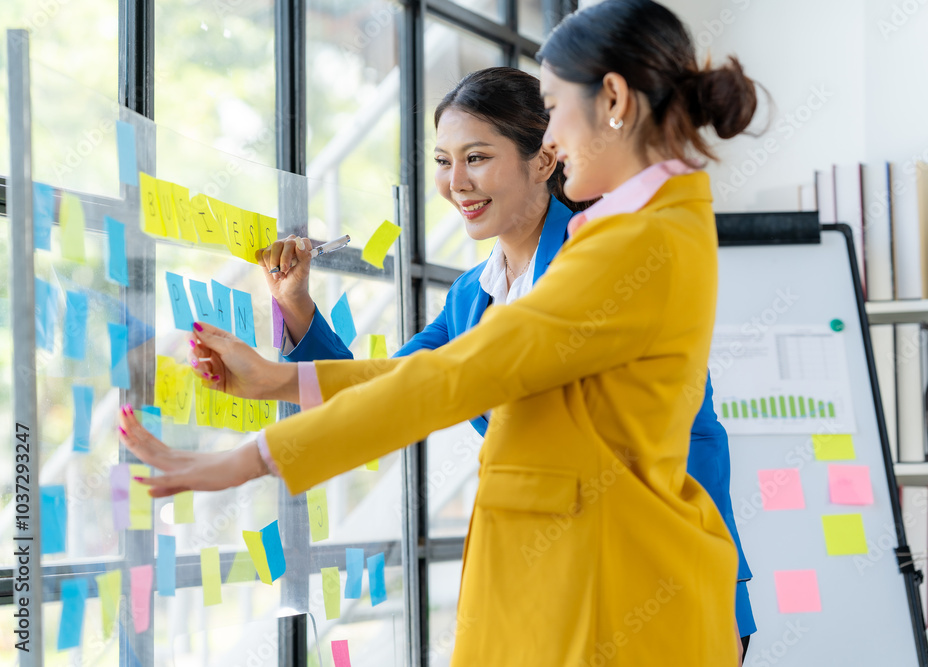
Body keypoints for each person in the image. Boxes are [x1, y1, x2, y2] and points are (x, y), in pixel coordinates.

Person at [120, 1, 759, 662]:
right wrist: (280, 371)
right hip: (566, 580)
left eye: (552, 111)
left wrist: (254, 458)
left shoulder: (622, 249)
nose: (455, 184)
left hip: (621, 579)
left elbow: (459, 375)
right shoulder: (489, 286)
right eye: (444, 161)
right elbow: (417, 372)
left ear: (614, 100)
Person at [260, 65, 756, 655]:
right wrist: (295, 306)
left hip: (651, 579)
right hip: (547, 587)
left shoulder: (608, 254)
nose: (455, 183)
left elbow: (691, 433)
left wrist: (719, 593)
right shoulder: (473, 297)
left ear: (543, 160)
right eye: (443, 161)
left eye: (476, 157)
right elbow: (392, 389)